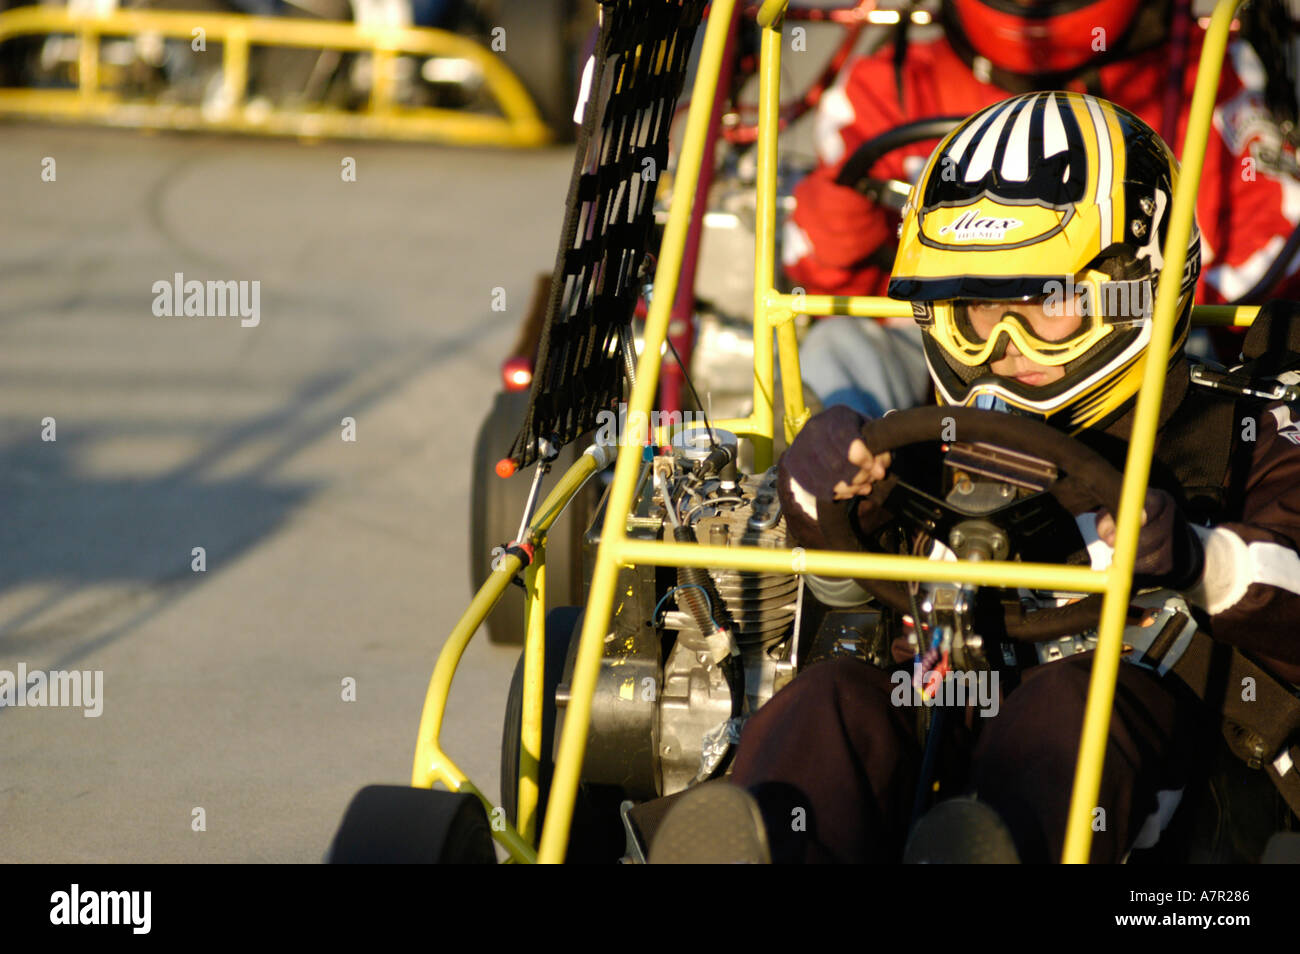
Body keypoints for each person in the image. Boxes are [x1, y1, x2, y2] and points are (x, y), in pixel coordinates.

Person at [653, 91, 1300, 864]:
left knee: (1074, 705)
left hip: (1190, 794)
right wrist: (816, 487)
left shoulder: (1242, 429)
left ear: (1140, 289)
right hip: (946, 744)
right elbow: (843, 584)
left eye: (1046, 303)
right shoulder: (932, 437)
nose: (1010, 343)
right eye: (981, 309)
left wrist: (1200, 559)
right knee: (834, 699)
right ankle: (755, 843)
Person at [788, 0, 1300, 418]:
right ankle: (846, 495)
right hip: (957, 369)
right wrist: (850, 242)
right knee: (836, 346)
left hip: (1135, 379)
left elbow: (1271, 288)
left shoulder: (1215, 81)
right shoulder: (889, 85)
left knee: (1187, 346)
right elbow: (819, 284)